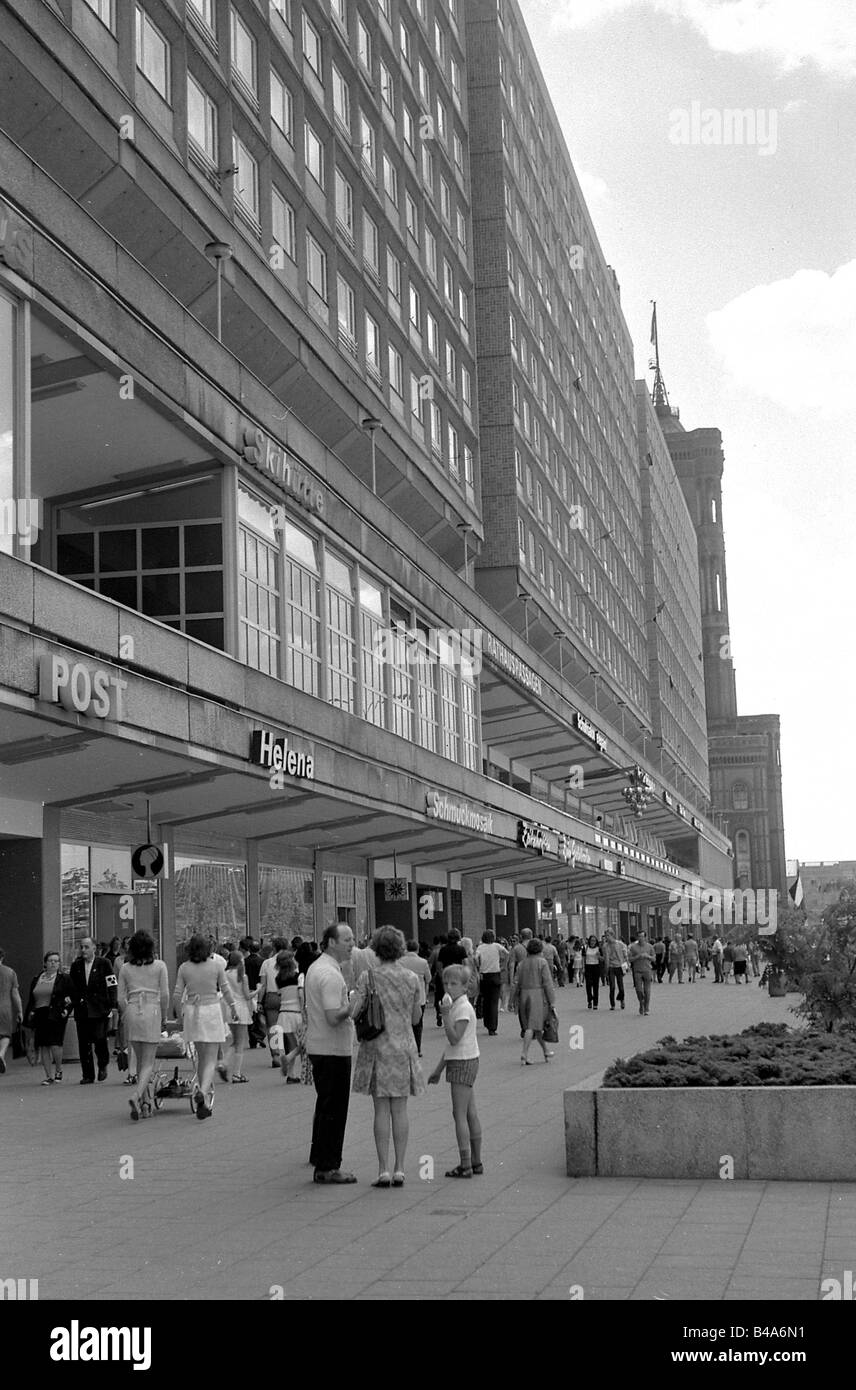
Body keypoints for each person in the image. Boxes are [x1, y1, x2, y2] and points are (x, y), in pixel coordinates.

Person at [350, 925, 424, 1187]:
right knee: (400, 1110)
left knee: (380, 1110)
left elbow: (355, 1011)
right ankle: (400, 1168)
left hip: (376, 1049)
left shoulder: (368, 977)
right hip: (403, 1047)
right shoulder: (412, 978)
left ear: (377, 949)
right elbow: (416, 1017)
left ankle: (382, 1169)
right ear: (400, 948)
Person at [304, 922, 358, 1184]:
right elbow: (333, 1016)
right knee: (334, 1108)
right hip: (332, 1049)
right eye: (347, 939)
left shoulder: (319, 968)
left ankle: (319, 1155)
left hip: (320, 1046)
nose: (352, 943)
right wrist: (353, 1006)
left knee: (325, 1104)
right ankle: (328, 1166)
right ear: (332, 942)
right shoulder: (330, 974)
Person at [173, 935, 238, 1119]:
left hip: (192, 1011)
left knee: (201, 1058)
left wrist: (179, 1016)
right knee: (211, 1059)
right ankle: (202, 1091)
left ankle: (205, 1101)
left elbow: (177, 994)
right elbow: (225, 989)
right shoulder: (216, 966)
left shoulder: (184, 967)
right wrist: (233, 1008)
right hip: (211, 1010)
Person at [428, 963, 483, 1178]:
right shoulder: (461, 1005)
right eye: (445, 983)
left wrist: (444, 1015)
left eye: (454, 983)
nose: (448, 987)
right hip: (464, 1059)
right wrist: (438, 1070)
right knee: (470, 1112)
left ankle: (466, 1163)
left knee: (459, 1113)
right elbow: (452, 1046)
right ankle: (476, 1162)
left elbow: (453, 1037)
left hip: (462, 1062)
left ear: (465, 986)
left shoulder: (461, 1008)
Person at [117, 931, 169, 1121]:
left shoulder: (125, 968)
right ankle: (137, 1095)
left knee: (139, 1061)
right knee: (148, 1062)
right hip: (151, 1010)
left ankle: (146, 1104)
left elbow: (120, 997)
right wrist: (164, 1016)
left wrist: (125, 1013)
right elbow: (164, 995)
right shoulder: (159, 966)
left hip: (132, 1010)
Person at [68, 937, 118, 1084]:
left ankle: (103, 1063)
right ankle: (87, 1074)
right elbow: (72, 987)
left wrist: (112, 1005)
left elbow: (112, 985)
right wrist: (74, 1002)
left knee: (99, 1038)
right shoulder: (76, 966)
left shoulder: (104, 963)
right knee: (84, 1043)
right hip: (82, 1009)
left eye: (86, 947)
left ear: (94, 948)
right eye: (81, 947)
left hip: (100, 1008)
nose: (83, 950)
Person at [25, 951, 73, 1084]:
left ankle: (58, 1069)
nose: (53, 963)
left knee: (55, 1044)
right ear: (45, 963)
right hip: (40, 1013)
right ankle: (48, 1075)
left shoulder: (64, 978)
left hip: (56, 1013)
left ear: (59, 964)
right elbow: (31, 998)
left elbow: (71, 996)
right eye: (50, 960)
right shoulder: (37, 978)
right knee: (44, 1045)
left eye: (56, 961)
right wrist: (29, 1014)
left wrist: (66, 1010)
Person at [510, 937, 556, 1065]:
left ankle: (546, 1051)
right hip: (537, 996)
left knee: (535, 1027)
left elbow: (515, 983)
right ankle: (524, 1054)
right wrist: (552, 1001)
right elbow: (547, 983)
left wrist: (511, 1000)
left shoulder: (521, 964)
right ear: (540, 949)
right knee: (532, 1026)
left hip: (524, 995)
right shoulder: (542, 962)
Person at [219, 951, 254, 1082]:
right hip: (241, 1008)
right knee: (240, 1043)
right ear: (240, 962)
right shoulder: (242, 976)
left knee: (235, 1040)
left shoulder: (225, 974)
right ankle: (236, 1073)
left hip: (229, 1007)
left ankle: (224, 1062)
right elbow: (247, 996)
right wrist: (257, 990)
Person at [274, 950, 305, 1083]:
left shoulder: (278, 979)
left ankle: (291, 1075)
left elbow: (280, 994)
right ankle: (288, 1058)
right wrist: (304, 1011)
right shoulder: (299, 976)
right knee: (304, 1044)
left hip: (283, 1013)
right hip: (297, 1013)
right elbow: (301, 995)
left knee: (292, 1044)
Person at [257, 937, 287, 1067]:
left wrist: (259, 1001)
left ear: (274, 947)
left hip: (271, 996)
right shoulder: (291, 962)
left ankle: (276, 1055)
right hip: (287, 996)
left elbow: (262, 985)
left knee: (273, 1027)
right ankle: (286, 1052)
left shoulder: (267, 963)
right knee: (287, 1026)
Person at [400, 938, 431, 1056]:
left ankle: (406, 1048)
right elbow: (428, 978)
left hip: (404, 996)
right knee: (418, 1024)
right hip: (420, 997)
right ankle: (417, 1048)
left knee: (405, 1024)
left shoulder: (400, 961)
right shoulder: (423, 962)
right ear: (417, 949)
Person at [474, 930, 502, 1036]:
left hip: (484, 976)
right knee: (494, 1002)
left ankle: (486, 1022)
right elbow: (507, 953)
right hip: (495, 974)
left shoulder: (480, 947)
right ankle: (493, 1027)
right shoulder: (497, 946)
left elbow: (475, 958)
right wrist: (501, 963)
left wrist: (479, 966)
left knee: (486, 1000)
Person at [629, 931, 656, 1015]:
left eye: (642, 936)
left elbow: (654, 959)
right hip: (637, 971)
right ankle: (641, 1003)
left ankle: (646, 1007)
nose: (641, 938)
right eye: (639, 936)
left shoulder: (650, 947)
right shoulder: (633, 947)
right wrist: (638, 956)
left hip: (647, 970)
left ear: (645, 937)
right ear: (637, 937)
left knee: (647, 990)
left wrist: (647, 956)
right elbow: (630, 959)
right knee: (639, 990)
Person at [601, 928, 628, 1011]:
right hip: (611, 967)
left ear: (612, 935)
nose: (606, 938)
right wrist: (606, 970)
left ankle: (621, 999)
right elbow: (606, 959)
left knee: (621, 986)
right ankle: (612, 1004)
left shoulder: (620, 944)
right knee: (612, 986)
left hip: (620, 966)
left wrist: (626, 966)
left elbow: (625, 956)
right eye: (605, 936)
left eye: (608, 935)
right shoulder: (605, 946)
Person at [583, 935, 602, 1010]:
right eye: (591, 940)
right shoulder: (585, 948)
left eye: (594, 940)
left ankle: (595, 1003)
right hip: (588, 967)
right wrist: (583, 968)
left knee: (595, 985)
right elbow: (583, 958)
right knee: (588, 984)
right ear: (589, 941)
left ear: (596, 941)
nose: (592, 942)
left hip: (596, 967)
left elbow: (602, 959)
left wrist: (599, 956)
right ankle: (590, 1000)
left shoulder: (598, 948)